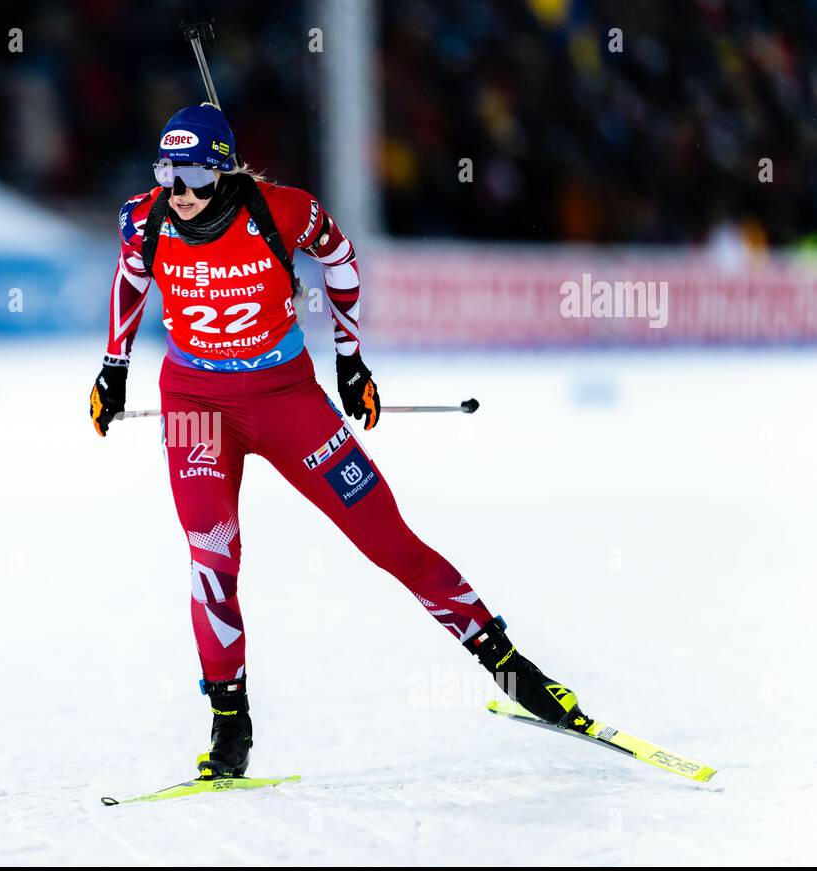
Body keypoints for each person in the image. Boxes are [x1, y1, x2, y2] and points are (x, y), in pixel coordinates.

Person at [89, 103, 589, 779]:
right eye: (167, 174)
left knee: (386, 539)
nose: (179, 193)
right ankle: (230, 724)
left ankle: (512, 670)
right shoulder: (142, 218)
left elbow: (342, 260)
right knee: (212, 557)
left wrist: (351, 362)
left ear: (225, 171)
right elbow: (130, 277)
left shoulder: (283, 212)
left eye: (196, 178)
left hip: (287, 399)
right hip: (195, 403)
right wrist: (113, 369)